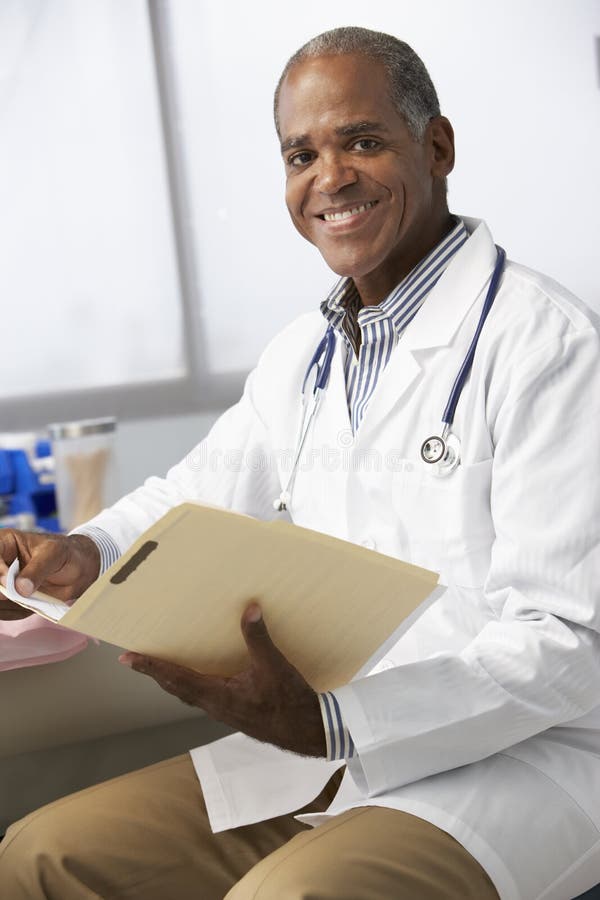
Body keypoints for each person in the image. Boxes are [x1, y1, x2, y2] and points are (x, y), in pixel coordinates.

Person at [1, 25, 600, 900]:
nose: (330, 178)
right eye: (301, 154)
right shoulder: (303, 355)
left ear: (437, 147)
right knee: (38, 857)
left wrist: (338, 720)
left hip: (522, 760)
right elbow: (195, 494)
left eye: (362, 141)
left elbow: (572, 643)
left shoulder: (548, 347)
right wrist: (85, 552)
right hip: (323, 742)